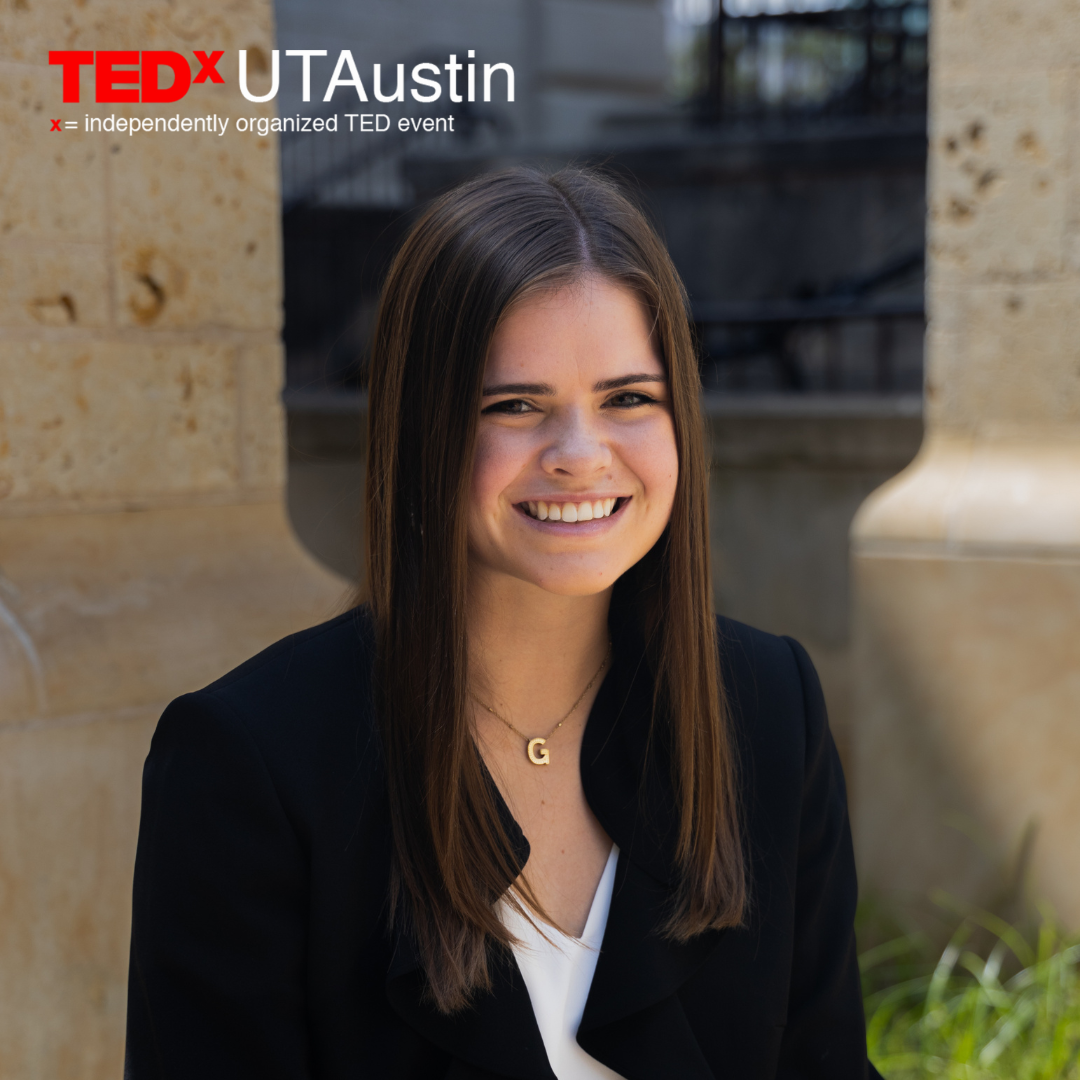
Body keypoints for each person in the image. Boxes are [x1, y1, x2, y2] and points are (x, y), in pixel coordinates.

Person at [125, 167, 881, 1080]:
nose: (580, 456)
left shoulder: (768, 707)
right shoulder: (247, 762)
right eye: (515, 405)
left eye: (628, 399)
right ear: (424, 428)